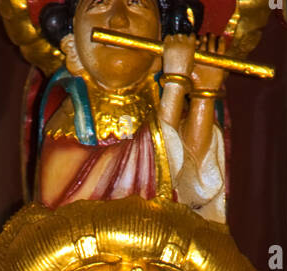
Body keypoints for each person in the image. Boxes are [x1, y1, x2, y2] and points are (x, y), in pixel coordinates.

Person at [35, 0, 227, 220]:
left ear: (162, 35)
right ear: (71, 43)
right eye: (99, 4)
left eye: (135, 3)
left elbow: (196, 191)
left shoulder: (171, 107)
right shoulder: (71, 118)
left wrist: (204, 93)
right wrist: (175, 82)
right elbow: (62, 206)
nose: (118, 19)